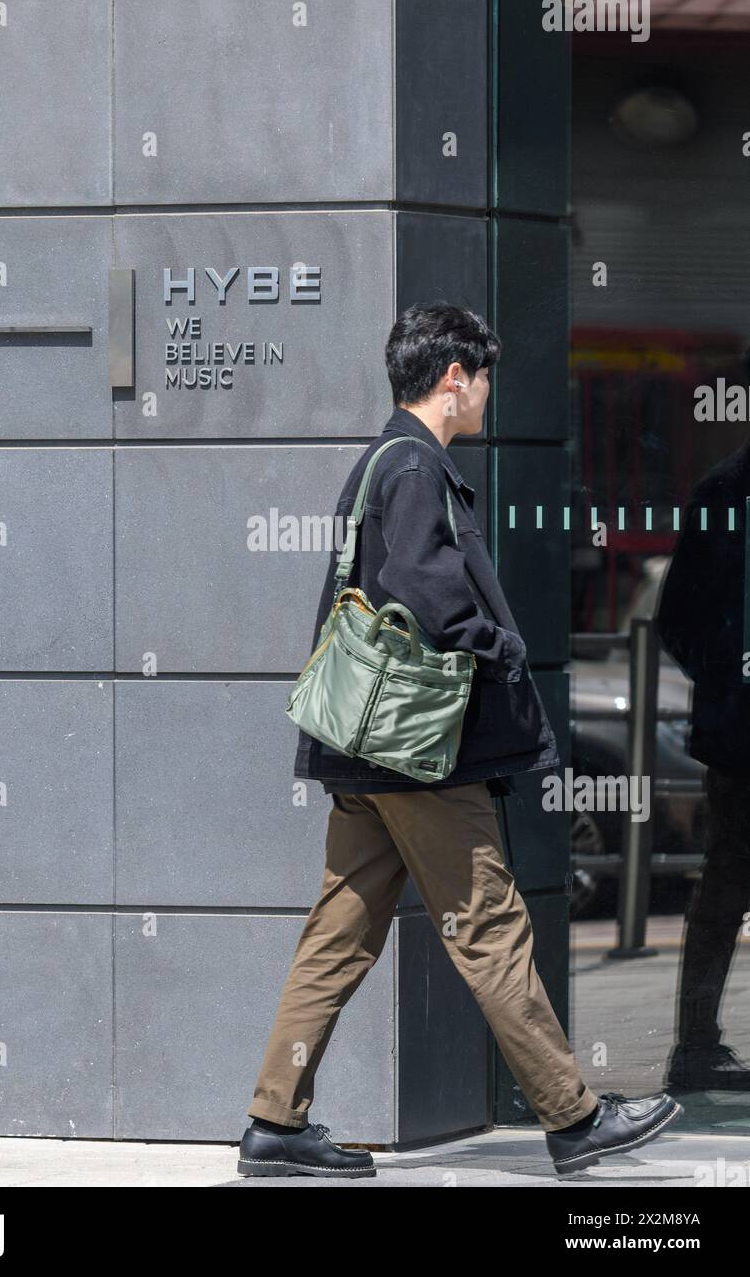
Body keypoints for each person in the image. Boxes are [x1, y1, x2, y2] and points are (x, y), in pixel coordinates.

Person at [238, 304, 683, 1179]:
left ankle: (274, 1121)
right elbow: (425, 592)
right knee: (488, 924)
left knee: (337, 934)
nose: (485, 394)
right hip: (418, 756)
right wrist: (500, 649)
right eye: (482, 379)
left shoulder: (383, 463)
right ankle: (573, 1116)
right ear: (454, 378)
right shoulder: (413, 467)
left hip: (370, 755)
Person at [656, 353, 750, 1093]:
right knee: (724, 886)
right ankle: (693, 1046)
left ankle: (695, 1047)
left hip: (734, 727)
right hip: (740, 734)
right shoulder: (724, 491)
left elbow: (679, 624)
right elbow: (680, 622)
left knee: (723, 886)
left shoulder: (722, 487)